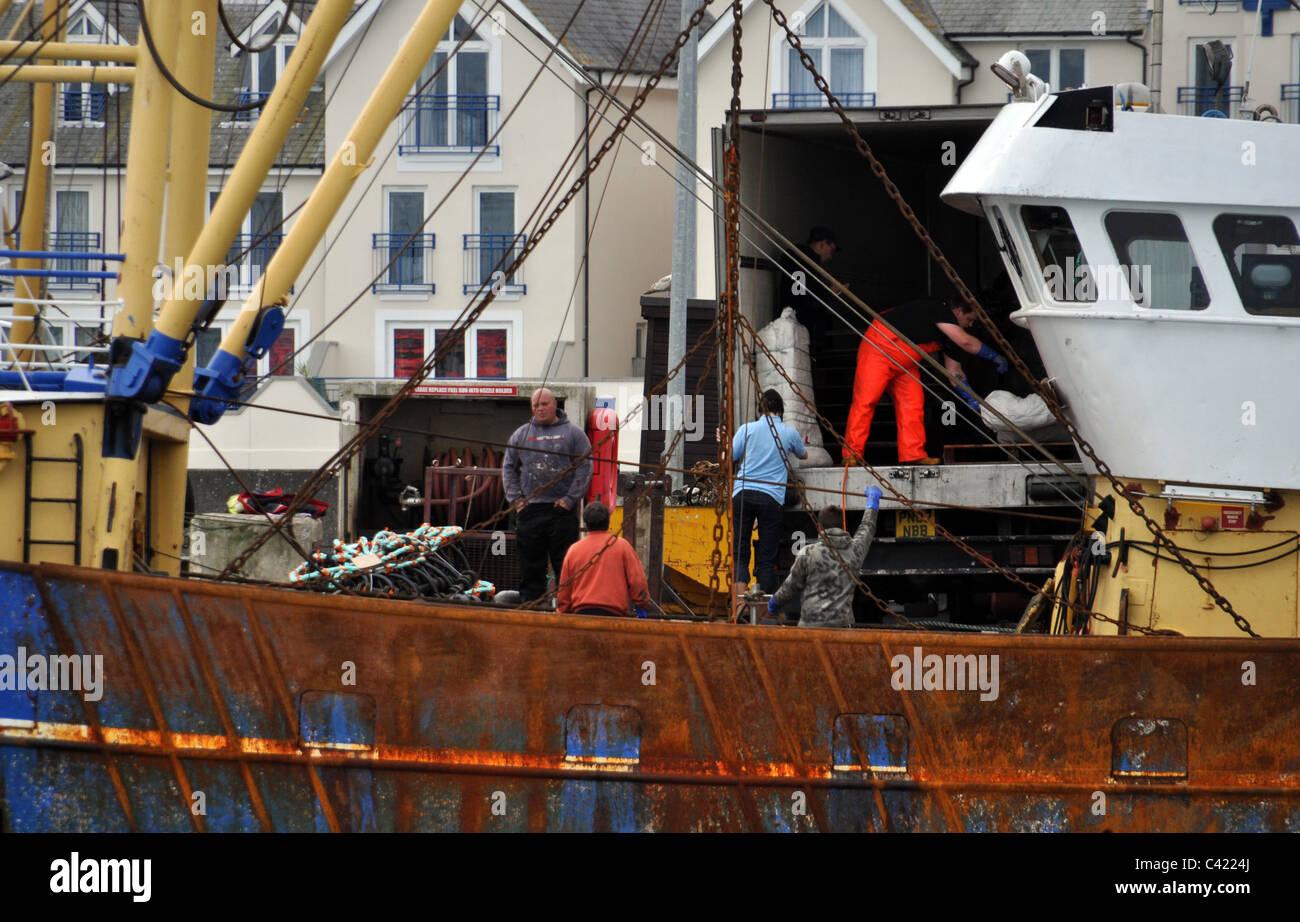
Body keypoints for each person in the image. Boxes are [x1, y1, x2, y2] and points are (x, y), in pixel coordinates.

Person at [843, 298, 1007, 465]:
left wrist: (970, 397)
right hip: (878, 349)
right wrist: (992, 355)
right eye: (969, 319)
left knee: (913, 405)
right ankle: (852, 453)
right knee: (866, 401)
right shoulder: (939, 310)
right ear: (957, 311)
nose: (970, 325)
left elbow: (954, 372)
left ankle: (912, 454)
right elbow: (967, 342)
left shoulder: (951, 339)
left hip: (906, 361)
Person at [502, 388, 593, 603]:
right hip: (530, 511)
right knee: (530, 568)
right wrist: (516, 500)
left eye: (544, 404)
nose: (540, 409)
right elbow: (508, 468)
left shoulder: (574, 434)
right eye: (535, 405)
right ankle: (532, 609)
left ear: (555, 405)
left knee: (566, 567)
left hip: (561, 512)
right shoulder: (521, 434)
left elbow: (585, 467)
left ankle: (567, 610)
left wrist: (570, 499)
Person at [768, 485, 882, 628]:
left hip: (810, 628)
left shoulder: (807, 553)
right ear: (842, 526)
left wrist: (774, 603)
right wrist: (873, 502)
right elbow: (867, 527)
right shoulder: (855, 550)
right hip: (842, 628)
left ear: (820, 528)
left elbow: (790, 587)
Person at [729, 389, 808, 594]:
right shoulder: (789, 433)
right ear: (781, 411)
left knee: (740, 550)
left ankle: (739, 603)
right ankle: (760, 610)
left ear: (760, 410)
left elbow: (733, 455)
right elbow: (804, 455)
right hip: (771, 498)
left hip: (742, 493)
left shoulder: (747, 428)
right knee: (766, 556)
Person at [556, 502, 652, 617]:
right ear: (608, 522)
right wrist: (642, 605)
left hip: (581, 614)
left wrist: (562, 612)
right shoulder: (622, 546)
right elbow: (637, 581)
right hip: (614, 614)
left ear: (586, 525)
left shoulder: (574, 550)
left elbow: (564, 589)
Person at [777, 226, 850, 350]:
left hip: (796, 326)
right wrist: (830, 293)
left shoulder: (802, 260)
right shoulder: (802, 261)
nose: (830, 257)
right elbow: (801, 298)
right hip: (798, 328)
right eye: (831, 251)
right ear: (822, 245)